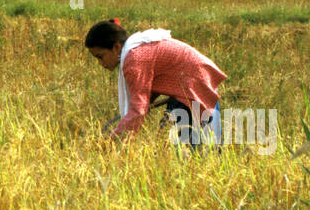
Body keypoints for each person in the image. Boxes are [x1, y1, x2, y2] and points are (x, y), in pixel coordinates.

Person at [84, 18, 225, 148]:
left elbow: (138, 110)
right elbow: (150, 87)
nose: (101, 64)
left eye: (100, 57)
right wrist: (146, 104)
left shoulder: (134, 60)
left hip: (193, 88)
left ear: (116, 47)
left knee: (191, 150)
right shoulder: (136, 50)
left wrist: (112, 142)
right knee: (177, 145)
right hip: (192, 83)